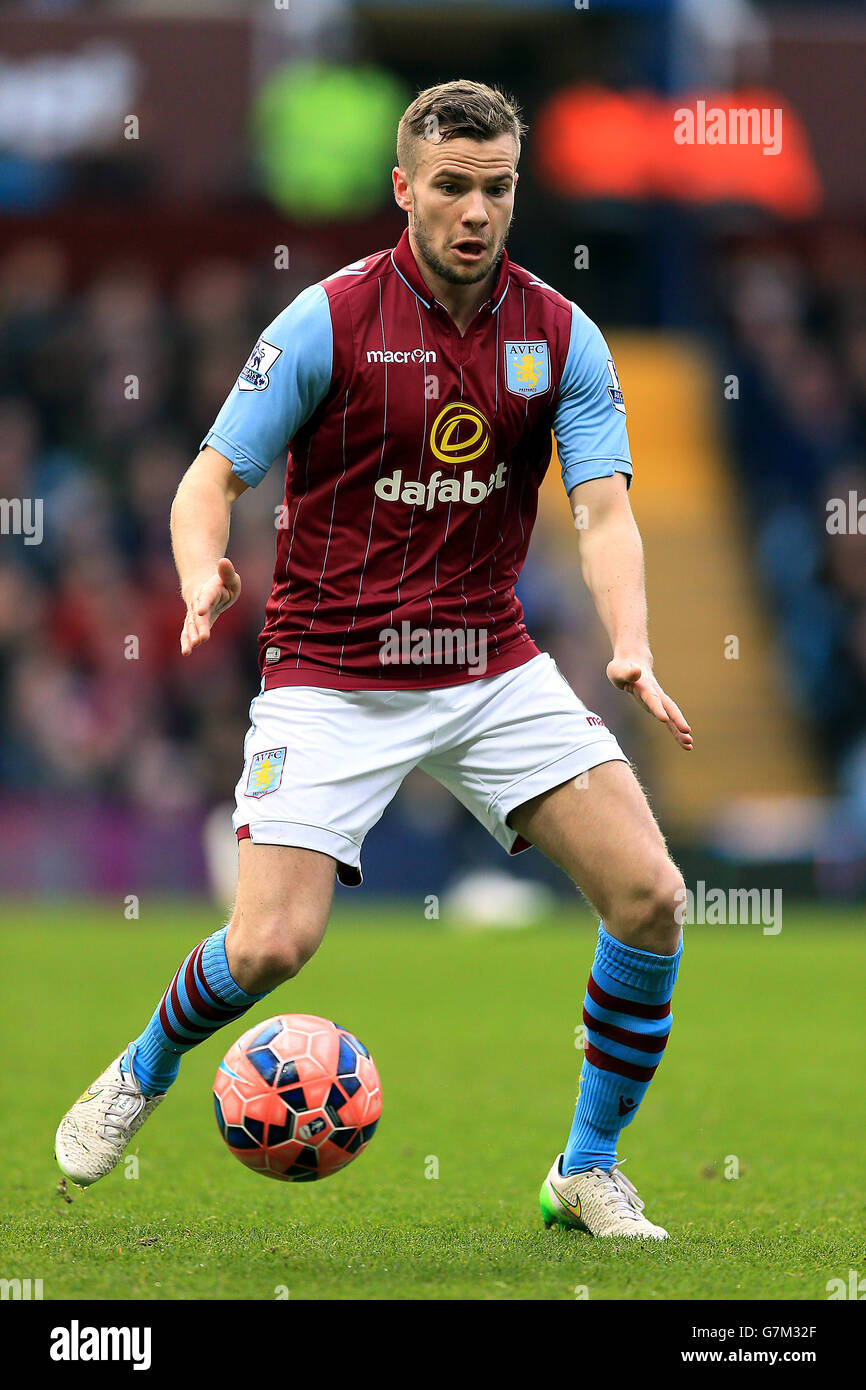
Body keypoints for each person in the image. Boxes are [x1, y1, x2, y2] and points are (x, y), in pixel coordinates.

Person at [56, 80, 691, 1239]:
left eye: (494, 188)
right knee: (269, 944)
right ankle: (143, 1068)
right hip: (330, 672)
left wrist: (632, 643)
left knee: (650, 898)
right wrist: (202, 574)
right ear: (404, 189)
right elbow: (210, 479)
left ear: (514, 192)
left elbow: (602, 511)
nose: (473, 210)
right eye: (449, 186)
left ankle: (584, 1168)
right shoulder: (327, 321)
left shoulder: (558, 336)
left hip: (486, 663)